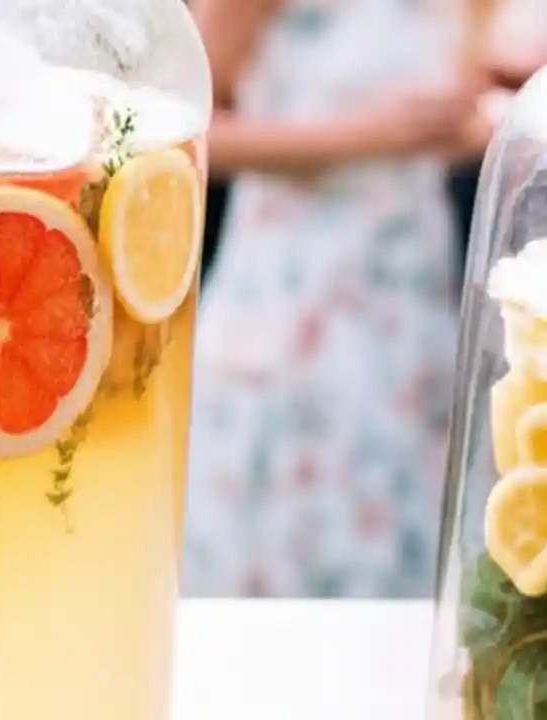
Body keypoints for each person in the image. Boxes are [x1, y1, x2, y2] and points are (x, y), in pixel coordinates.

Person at [182, 0, 484, 598]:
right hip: (293, 290)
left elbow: (439, 124)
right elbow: (183, 128)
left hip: (408, 298)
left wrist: (467, 130)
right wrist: (363, 137)